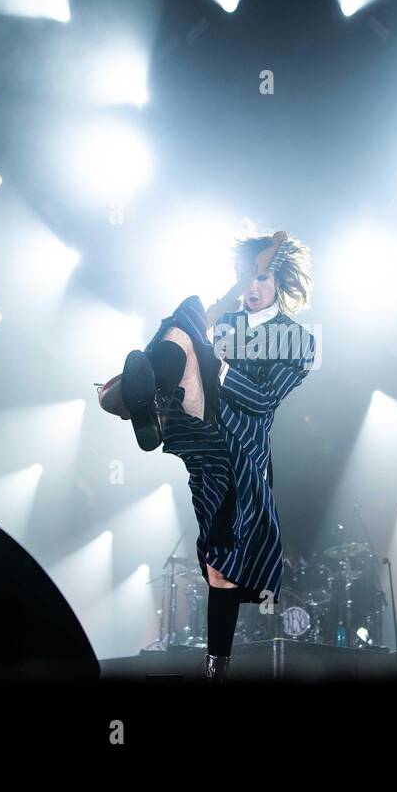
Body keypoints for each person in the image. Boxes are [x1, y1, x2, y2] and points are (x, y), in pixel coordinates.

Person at [96, 230, 315, 680]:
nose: (250, 288)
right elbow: (191, 336)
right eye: (242, 278)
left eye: (259, 278)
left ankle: (216, 666)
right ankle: (149, 401)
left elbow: (261, 401)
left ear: (279, 279)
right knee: (189, 311)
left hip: (237, 447)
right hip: (199, 430)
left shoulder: (298, 341)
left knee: (221, 568)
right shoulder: (227, 319)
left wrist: (218, 362)